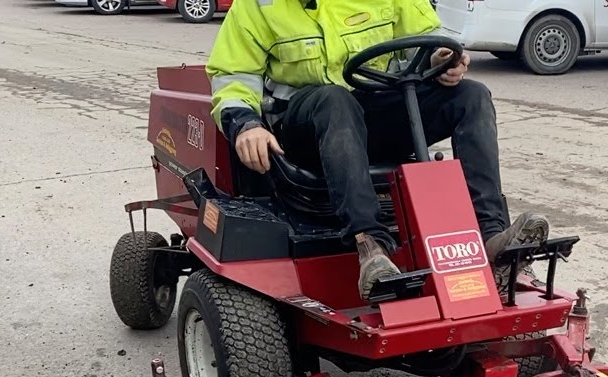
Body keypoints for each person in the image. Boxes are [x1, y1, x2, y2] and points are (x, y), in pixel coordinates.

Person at [206, 0, 549, 300]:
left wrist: (444, 59)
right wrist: (246, 125)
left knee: (471, 96)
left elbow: (427, 38)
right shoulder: (259, 4)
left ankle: (490, 238)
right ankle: (370, 245)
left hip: (375, 112)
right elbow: (233, 74)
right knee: (335, 99)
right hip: (303, 127)